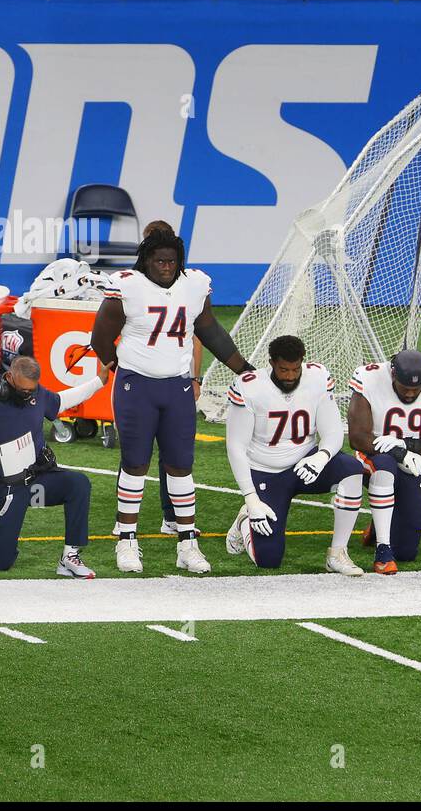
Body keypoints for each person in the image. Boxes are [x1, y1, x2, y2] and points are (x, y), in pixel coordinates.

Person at [91, 229, 253, 574]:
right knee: (135, 464)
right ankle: (127, 541)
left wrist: (243, 368)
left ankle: (187, 544)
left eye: (172, 260)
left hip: (177, 387)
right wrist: (117, 363)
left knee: (181, 466)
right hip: (137, 386)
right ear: (145, 260)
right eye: (159, 260)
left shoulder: (193, 285)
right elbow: (100, 337)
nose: (166, 266)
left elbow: (209, 330)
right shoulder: (127, 286)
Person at [222, 335, 365, 575]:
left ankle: (338, 552)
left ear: (303, 363)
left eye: (295, 369)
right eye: (283, 370)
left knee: (352, 471)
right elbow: (236, 446)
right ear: (271, 363)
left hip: (305, 465)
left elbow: (332, 431)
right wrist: (251, 498)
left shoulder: (317, 378)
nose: (289, 376)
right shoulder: (249, 386)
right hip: (266, 471)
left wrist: (321, 456)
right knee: (268, 560)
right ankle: (244, 520)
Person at [0, 356, 106, 577]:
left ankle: (69, 557)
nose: (28, 395)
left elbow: (61, 400)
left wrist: (99, 381)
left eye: (32, 390)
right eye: (23, 390)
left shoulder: (37, 394)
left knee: (78, 484)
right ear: (9, 378)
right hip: (5, 490)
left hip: (36, 484)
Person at [346, 349, 421, 573]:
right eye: (404, 387)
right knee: (386, 466)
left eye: (415, 389)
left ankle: (379, 528)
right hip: (372, 456)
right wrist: (396, 453)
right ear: (393, 375)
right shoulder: (369, 378)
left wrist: (405, 446)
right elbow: (357, 438)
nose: (409, 394)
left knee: (407, 552)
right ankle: (383, 550)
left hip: (412, 460)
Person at [139, 220, 203, 536]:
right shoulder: (132, 283)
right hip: (140, 380)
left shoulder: (188, 285)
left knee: (173, 453)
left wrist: (195, 377)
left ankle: (172, 517)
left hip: (174, 380)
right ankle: (126, 523)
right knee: (135, 454)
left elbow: (198, 335)